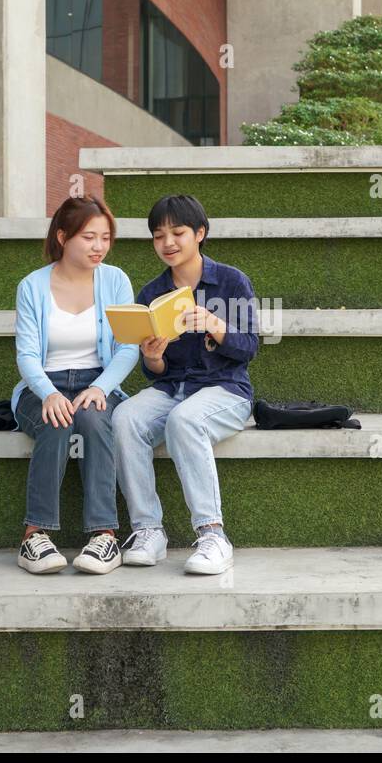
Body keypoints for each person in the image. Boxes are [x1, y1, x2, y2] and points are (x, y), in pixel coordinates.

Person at [112, 194, 259, 576]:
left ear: (200, 233)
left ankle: (213, 535)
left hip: (225, 390)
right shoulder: (151, 293)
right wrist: (153, 355)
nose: (168, 243)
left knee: (185, 420)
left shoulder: (231, 281)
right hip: (172, 389)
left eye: (177, 233)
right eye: (158, 236)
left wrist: (214, 323)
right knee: (125, 416)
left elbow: (248, 348)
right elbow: (155, 373)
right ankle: (148, 530)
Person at [11, 195, 139, 575]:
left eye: (105, 237)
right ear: (63, 236)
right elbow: (27, 355)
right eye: (88, 237)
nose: (99, 246)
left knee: (96, 419)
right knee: (59, 420)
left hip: (98, 382)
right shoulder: (32, 286)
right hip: (41, 386)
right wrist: (48, 393)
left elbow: (127, 348)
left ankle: (104, 536)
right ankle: (34, 536)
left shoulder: (115, 280)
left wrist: (100, 388)